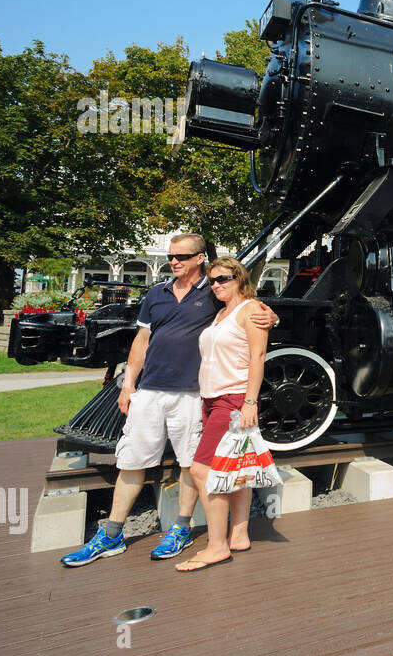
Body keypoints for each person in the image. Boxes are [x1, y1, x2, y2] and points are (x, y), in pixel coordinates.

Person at [61, 235, 274, 566]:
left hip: (192, 393)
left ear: (200, 258)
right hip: (152, 389)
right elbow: (143, 338)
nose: (174, 262)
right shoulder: (157, 293)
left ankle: (182, 528)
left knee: (192, 464)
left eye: (182, 256)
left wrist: (271, 316)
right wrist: (128, 382)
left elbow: (249, 311)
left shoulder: (213, 290)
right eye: (171, 256)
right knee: (131, 460)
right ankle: (112, 533)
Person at [177, 258, 268, 572]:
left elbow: (258, 357)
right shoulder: (220, 313)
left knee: (202, 470)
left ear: (239, 278)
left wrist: (250, 402)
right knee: (238, 468)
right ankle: (238, 534)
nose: (216, 285)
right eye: (212, 281)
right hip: (212, 399)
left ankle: (216, 547)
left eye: (223, 279)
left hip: (234, 399)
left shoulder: (252, 310)